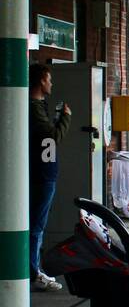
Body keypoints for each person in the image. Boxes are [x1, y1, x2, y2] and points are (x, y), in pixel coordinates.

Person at [29, 63, 69, 292]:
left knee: (38, 224)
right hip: (42, 174)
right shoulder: (35, 109)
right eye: (49, 79)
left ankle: (33, 269)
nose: (52, 83)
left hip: (45, 172)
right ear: (42, 80)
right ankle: (33, 272)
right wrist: (65, 118)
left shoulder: (39, 108)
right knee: (37, 225)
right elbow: (52, 137)